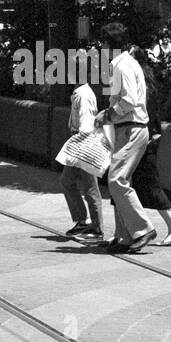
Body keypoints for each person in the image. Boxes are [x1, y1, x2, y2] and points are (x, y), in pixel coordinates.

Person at [94, 22, 154, 253]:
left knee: (116, 180)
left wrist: (108, 113)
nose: (100, 46)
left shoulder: (121, 65)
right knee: (121, 181)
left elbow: (129, 101)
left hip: (131, 128)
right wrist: (108, 114)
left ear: (110, 45)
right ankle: (125, 236)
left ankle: (143, 228)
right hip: (129, 127)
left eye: (103, 42)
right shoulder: (126, 63)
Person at [130, 48, 171, 246]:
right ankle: (127, 230)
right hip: (147, 138)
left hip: (145, 140)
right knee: (132, 184)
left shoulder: (142, 84)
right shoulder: (146, 83)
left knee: (150, 185)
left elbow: (148, 114)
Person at [60, 77, 104, 240]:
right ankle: (82, 221)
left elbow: (86, 122)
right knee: (67, 181)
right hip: (80, 140)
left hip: (84, 142)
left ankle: (97, 228)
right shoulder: (80, 92)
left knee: (90, 187)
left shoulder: (83, 95)